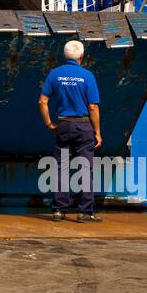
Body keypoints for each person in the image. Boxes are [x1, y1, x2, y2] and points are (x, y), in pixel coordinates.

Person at [39, 39, 103, 222]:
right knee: (85, 168)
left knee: (62, 167)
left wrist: (49, 124)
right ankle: (84, 212)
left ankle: (59, 210)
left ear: (64, 55)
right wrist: (97, 131)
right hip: (83, 127)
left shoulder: (54, 74)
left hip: (63, 125)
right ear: (81, 57)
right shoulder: (87, 76)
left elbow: (42, 101)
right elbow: (93, 107)